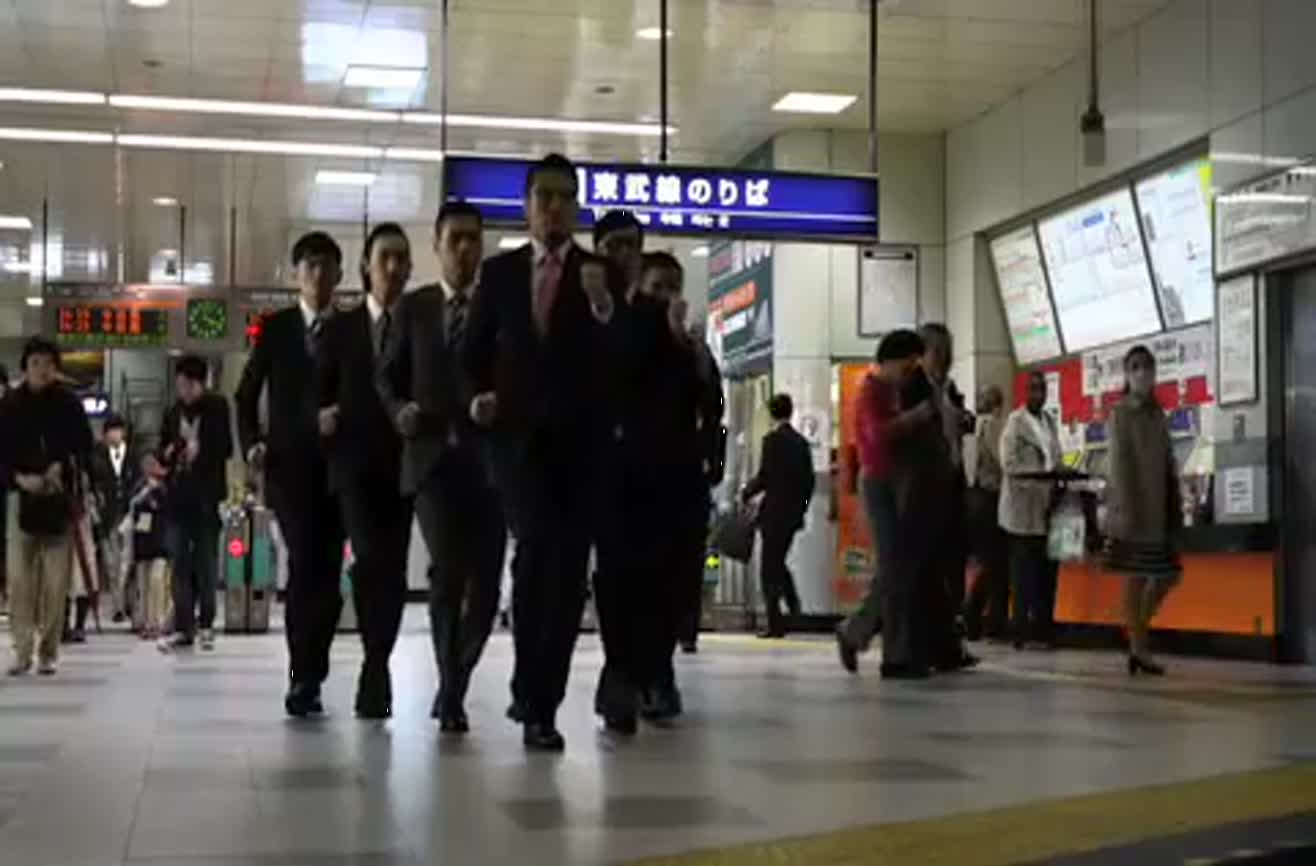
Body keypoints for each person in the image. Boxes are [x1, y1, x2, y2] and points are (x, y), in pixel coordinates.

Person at [463, 153, 622, 752]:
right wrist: (477, 398)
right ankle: (530, 687)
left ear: (576, 206)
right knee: (533, 564)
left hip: (580, 452)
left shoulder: (599, 274)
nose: (553, 207)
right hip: (519, 448)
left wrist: (603, 308)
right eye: (543, 196)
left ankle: (543, 703)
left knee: (567, 576)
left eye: (563, 196)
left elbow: (620, 355)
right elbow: (472, 354)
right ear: (526, 205)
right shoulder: (499, 275)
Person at [377, 205, 505, 732]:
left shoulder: (501, 307)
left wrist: (499, 400)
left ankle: (457, 677)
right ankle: (451, 691)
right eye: (455, 240)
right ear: (437, 246)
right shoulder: (416, 308)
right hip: (431, 461)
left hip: (488, 463)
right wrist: (399, 410)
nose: (465, 249)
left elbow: (519, 372)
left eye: (473, 239)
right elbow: (386, 376)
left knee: (488, 586)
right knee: (449, 570)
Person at [236, 231, 346, 717]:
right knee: (304, 565)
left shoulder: (351, 329)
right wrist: (253, 444)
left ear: (340, 274)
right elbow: (245, 394)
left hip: (338, 472)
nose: (319, 275)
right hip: (290, 469)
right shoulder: (276, 329)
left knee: (328, 574)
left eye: (327, 266)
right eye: (310, 266)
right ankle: (302, 674)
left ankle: (314, 670)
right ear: (296, 274)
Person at [318, 222, 416, 719]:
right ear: (366, 267)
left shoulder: (422, 325)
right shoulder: (340, 328)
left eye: (401, 259)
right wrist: (321, 415)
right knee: (371, 559)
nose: (393, 268)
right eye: (384, 259)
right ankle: (374, 665)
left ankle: (377, 662)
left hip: (405, 467)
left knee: (393, 571)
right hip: (354, 467)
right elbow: (315, 390)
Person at [835, 329, 936, 677]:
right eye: (906, 366)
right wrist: (915, 417)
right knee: (893, 568)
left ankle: (888, 649)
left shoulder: (890, 389)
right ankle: (861, 635)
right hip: (879, 481)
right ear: (891, 360)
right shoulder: (871, 391)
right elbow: (876, 434)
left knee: (897, 570)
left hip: (895, 481)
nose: (909, 373)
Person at [3, 338, 93, 676]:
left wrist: (62, 467)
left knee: (57, 583)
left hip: (58, 499)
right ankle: (22, 649)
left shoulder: (69, 404)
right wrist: (18, 478)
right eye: (36, 363)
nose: (42, 370)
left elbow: (84, 448)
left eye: (49, 364)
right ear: (25, 367)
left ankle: (49, 650)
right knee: (19, 581)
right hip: (20, 498)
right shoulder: (9, 406)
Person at [1105, 345, 1182, 676]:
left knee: (1168, 575)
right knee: (1135, 578)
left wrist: (1175, 501)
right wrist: (1124, 507)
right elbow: (1119, 463)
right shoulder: (1121, 413)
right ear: (1127, 373)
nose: (1142, 373)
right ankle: (1138, 646)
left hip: (1158, 508)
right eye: (1135, 367)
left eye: (1147, 367)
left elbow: (1168, 460)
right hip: (1134, 507)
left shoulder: (1157, 413)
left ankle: (1137, 636)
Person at [157, 355, 232, 653]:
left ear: (202, 383)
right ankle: (183, 626)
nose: (184, 391)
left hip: (206, 497)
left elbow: (226, 447)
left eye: (189, 385)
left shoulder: (217, 408)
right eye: (180, 385)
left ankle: (207, 624)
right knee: (179, 562)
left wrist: (201, 449)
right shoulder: (172, 413)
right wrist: (168, 453)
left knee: (206, 562)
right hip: (177, 497)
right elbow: (162, 449)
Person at [742, 393, 814, 639]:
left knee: (768, 568)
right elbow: (809, 482)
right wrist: (801, 509)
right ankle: (793, 606)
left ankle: (776, 622)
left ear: (772, 414)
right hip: (792, 515)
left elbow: (765, 476)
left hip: (773, 514)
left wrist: (746, 492)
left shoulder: (771, 441)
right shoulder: (801, 443)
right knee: (777, 561)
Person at [999, 370, 1063, 649]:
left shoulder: (1049, 421)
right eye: (1034, 389)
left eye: (1042, 389)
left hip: (1046, 507)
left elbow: (1055, 457)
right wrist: (1038, 475)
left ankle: (1044, 629)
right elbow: (1009, 463)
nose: (1039, 394)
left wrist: (1059, 473)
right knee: (1023, 573)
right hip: (1021, 510)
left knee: (1046, 573)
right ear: (1025, 392)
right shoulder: (1015, 423)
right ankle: (1020, 630)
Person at [963, 385, 1010, 641]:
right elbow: (1004, 460)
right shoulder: (991, 425)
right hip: (990, 499)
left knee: (988, 562)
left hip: (973, 499)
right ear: (998, 405)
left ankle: (976, 617)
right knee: (997, 563)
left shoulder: (971, 429)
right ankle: (985, 619)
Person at [91, 413, 138, 624]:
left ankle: (126, 603)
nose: (114, 435)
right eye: (110, 431)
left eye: (117, 430)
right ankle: (118, 606)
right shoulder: (98, 457)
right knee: (111, 563)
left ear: (123, 433)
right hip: (107, 515)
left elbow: (138, 482)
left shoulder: (134, 456)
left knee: (127, 561)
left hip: (128, 514)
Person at [127, 454, 171, 640]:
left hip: (160, 543)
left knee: (157, 581)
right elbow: (132, 507)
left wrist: (157, 491)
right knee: (143, 586)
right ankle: (145, 621)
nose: (150, 468)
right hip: (142, 544)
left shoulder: (165, 487)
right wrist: (144, 494)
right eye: (146, 464)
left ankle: (157, 621)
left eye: (153, 464)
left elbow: (168, 507)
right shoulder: (139, 487)